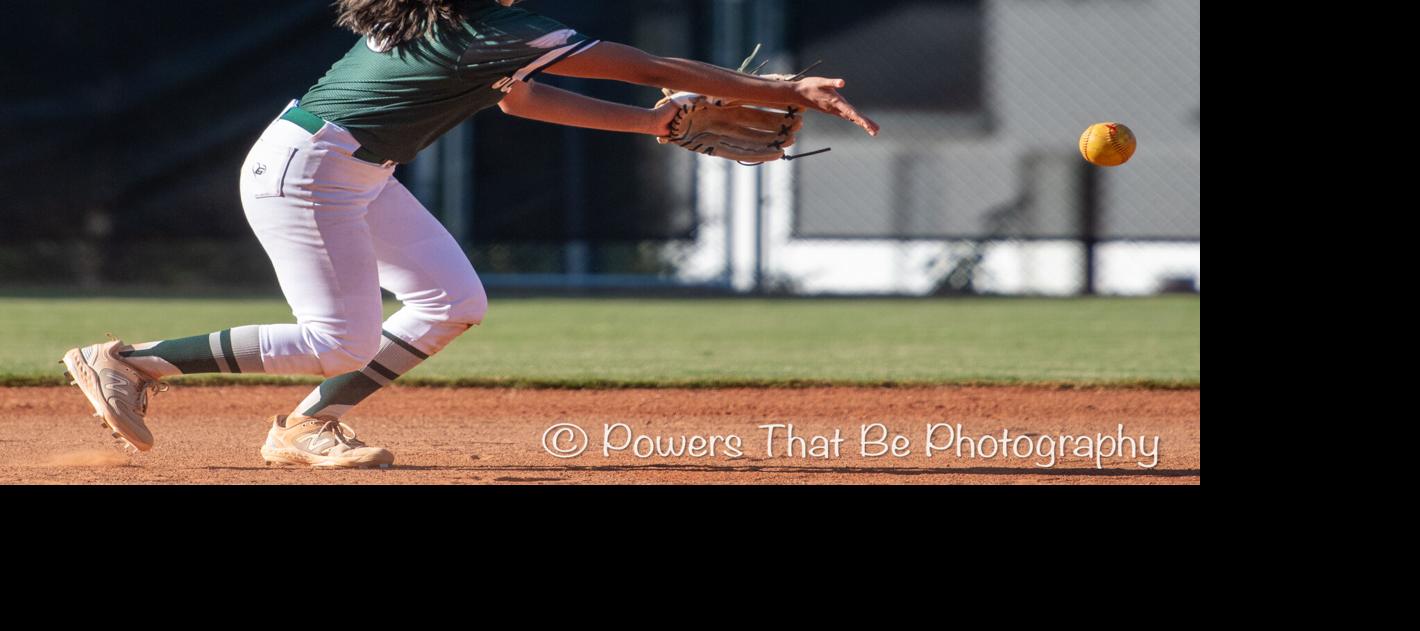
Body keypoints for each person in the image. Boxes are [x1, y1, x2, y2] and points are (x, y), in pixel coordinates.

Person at [61, 0, 877, 468]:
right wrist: (783, 88)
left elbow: (525, 101)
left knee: (450, 300)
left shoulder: (469, 28)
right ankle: (128, 363)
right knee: (340, 337)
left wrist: (652, 129)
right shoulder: (487, 28)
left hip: (347, 171)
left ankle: (305, 427)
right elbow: (639, 65)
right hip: (307, 172)